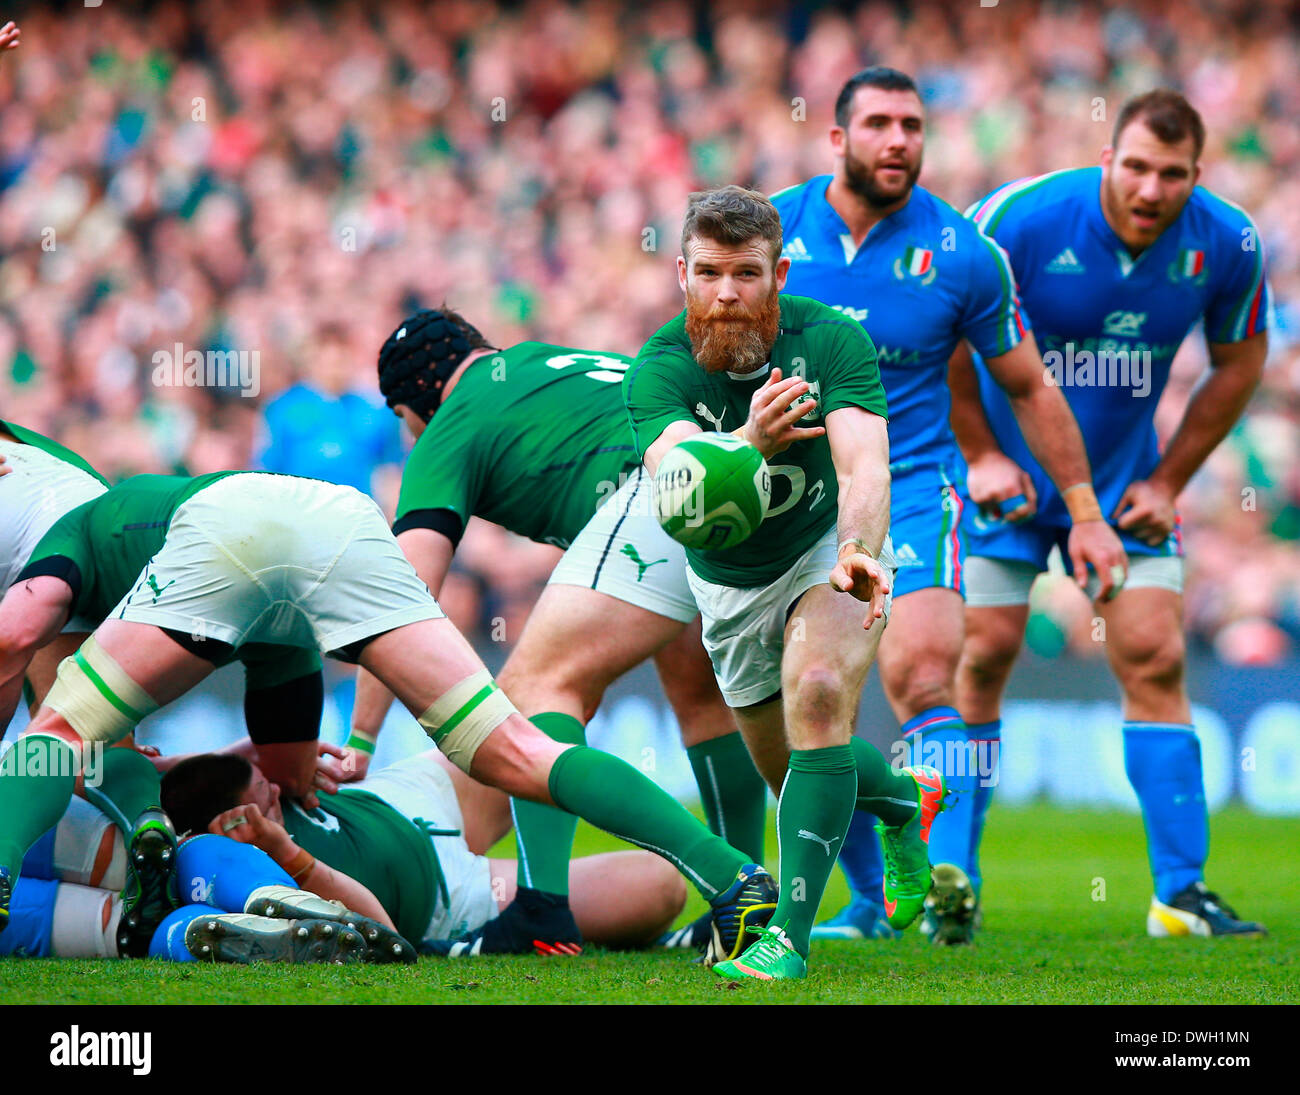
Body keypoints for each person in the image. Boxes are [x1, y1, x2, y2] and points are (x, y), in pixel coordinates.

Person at [0, 469, 777, 968]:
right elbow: (292, 769)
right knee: (517, 745)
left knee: (60, 740)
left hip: (226, 531)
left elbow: (15, 632)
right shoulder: (172, 544)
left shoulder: (71, 533)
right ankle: (731, 874)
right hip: (338, 517)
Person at [772, 67, 1127, 946]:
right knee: (812, 703)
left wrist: (1083, 509)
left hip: (913, 490)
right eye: (880, 123)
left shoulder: (964, 251)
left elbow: (1030, 388)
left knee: (927, 675)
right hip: (790, 498)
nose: (899, 140)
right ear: (838, 139)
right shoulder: (773, 226)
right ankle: (869, 894)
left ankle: (946, 880)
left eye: (913, 125)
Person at [336, 308, 766, 956]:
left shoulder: (450, 425)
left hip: (655, 502)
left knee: (540, 689)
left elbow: (403, 596)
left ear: (417, 397)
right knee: (706, 703)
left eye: (403, 419)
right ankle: (807, 867)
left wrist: (360, 735)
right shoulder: (537, 359)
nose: (408, 435)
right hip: (729, 479)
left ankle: (549, 905)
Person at [950, 89, 1269, 938]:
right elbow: (938, 336)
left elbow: (1238, 363)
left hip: (1124, 487)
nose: (1151, 188)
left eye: (1172, 173)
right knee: (981, 655)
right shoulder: (1017, 219)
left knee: (1154, 653)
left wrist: (1168, 479)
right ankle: (950, 887)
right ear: (1107, 161)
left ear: (1196, 175)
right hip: (1005, 486)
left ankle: (1180, 893)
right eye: (1135, 166)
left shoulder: (1228, 241)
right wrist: (979, 452)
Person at [624, 183, 949, 982]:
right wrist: (746, 442)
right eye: (708, 273)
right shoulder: (659, 365)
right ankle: (905, 802)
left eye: (746, 273)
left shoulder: (831, 339)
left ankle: (789, 944)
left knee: (816, 692)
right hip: (728, 589)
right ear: (681, 273)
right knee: (802, 766)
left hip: (824, 552)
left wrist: (858, 548)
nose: (727, 294)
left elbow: (865, 462)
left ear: (780, 272)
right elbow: (673, 482)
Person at [163, 748, 687, 955]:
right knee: (660, 885)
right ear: (231, 824)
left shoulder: (264, 797)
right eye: (264, 794)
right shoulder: (252, 877)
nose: (275, 792)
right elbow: (382, 935)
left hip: (399, 794)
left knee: (526, 725)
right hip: (452, 890)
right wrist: (289, 853)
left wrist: (279, 763)